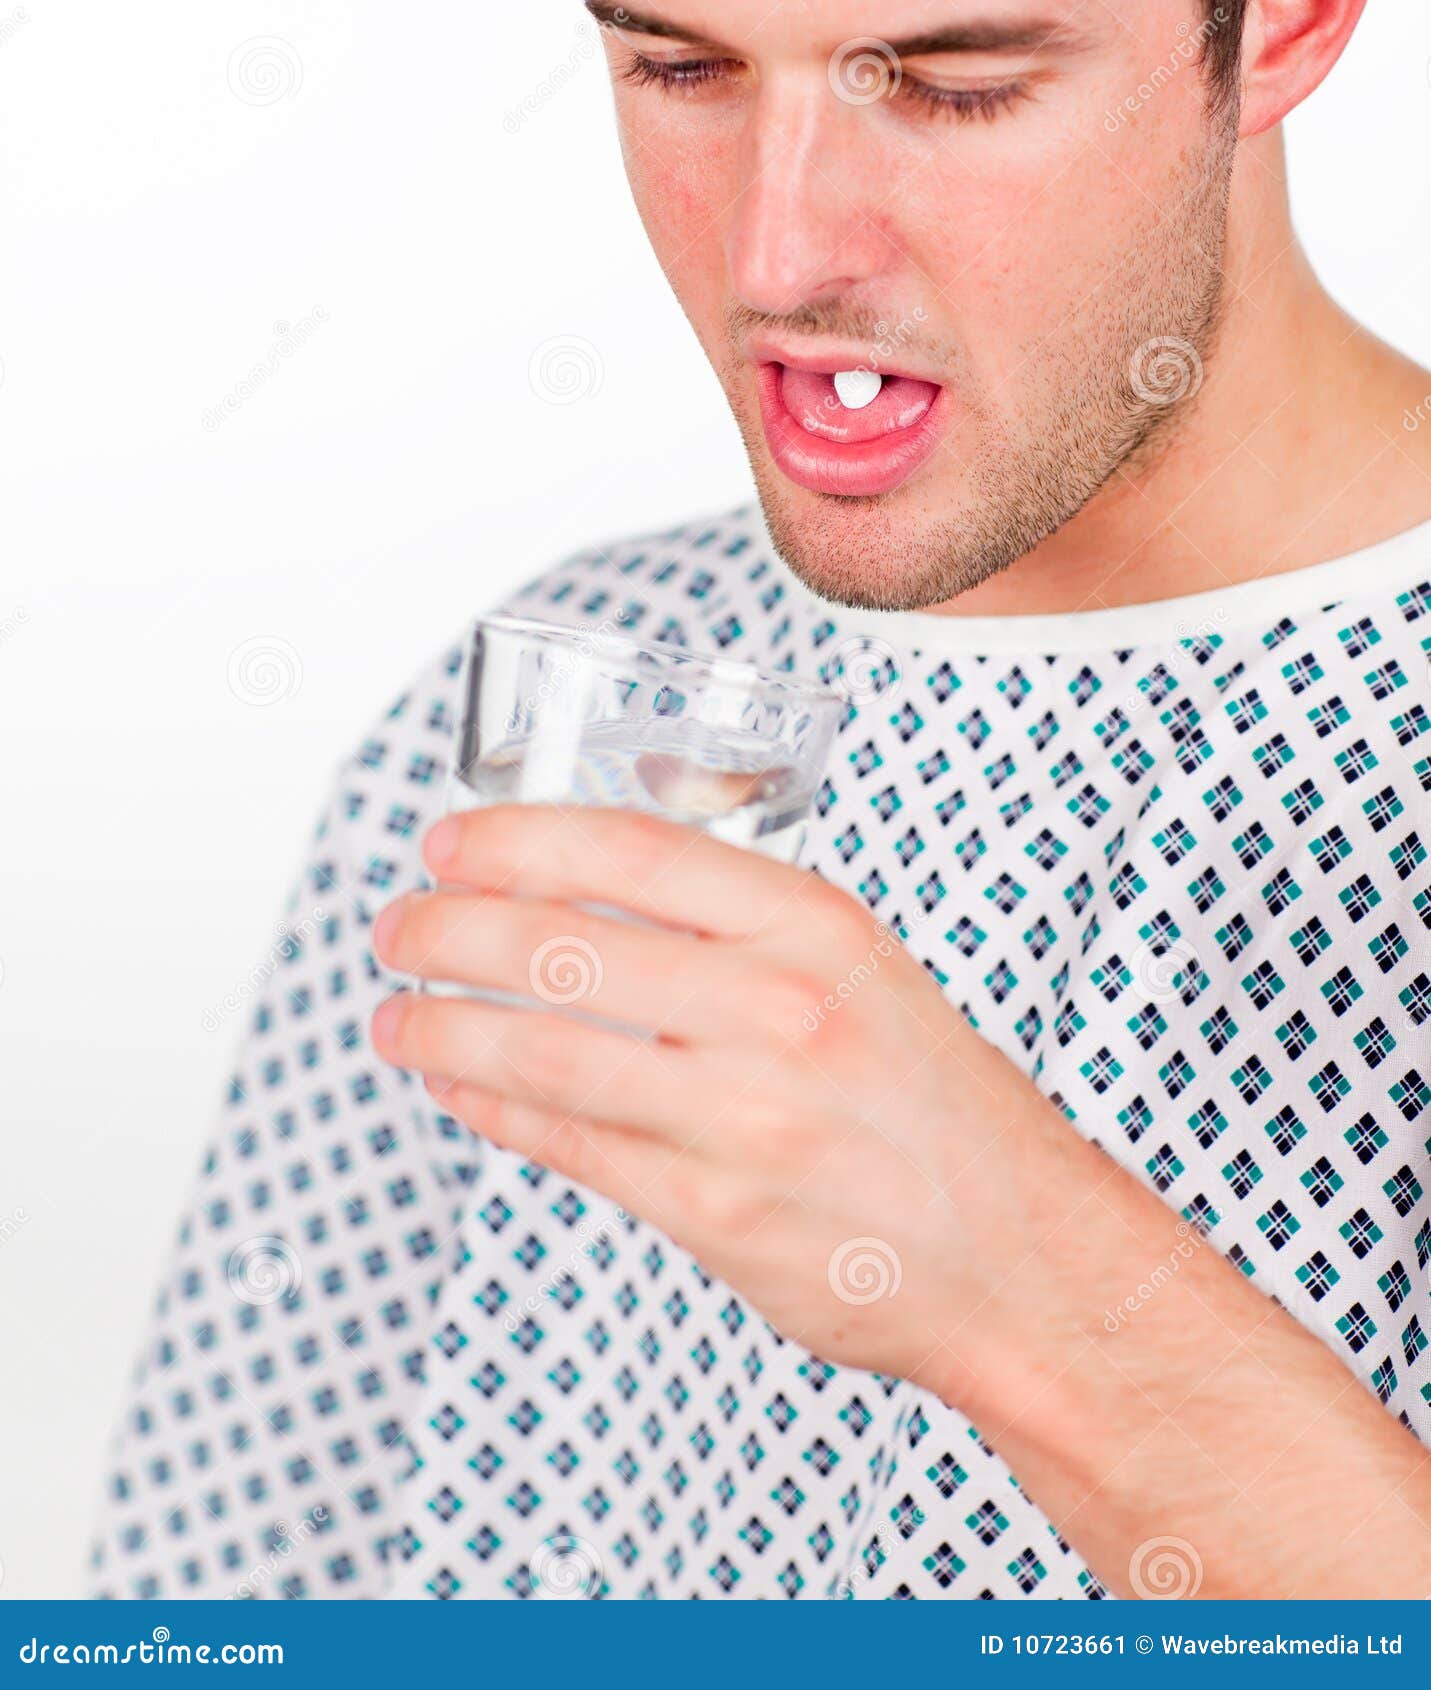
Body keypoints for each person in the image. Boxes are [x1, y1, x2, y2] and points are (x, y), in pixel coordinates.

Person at [92, 0, 1431, 1600]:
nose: (778, 255)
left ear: (1282, 27)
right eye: (682, 68)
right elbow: (221, 1600)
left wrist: (1036, 1284)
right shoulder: (569, 719)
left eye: (954, 88)